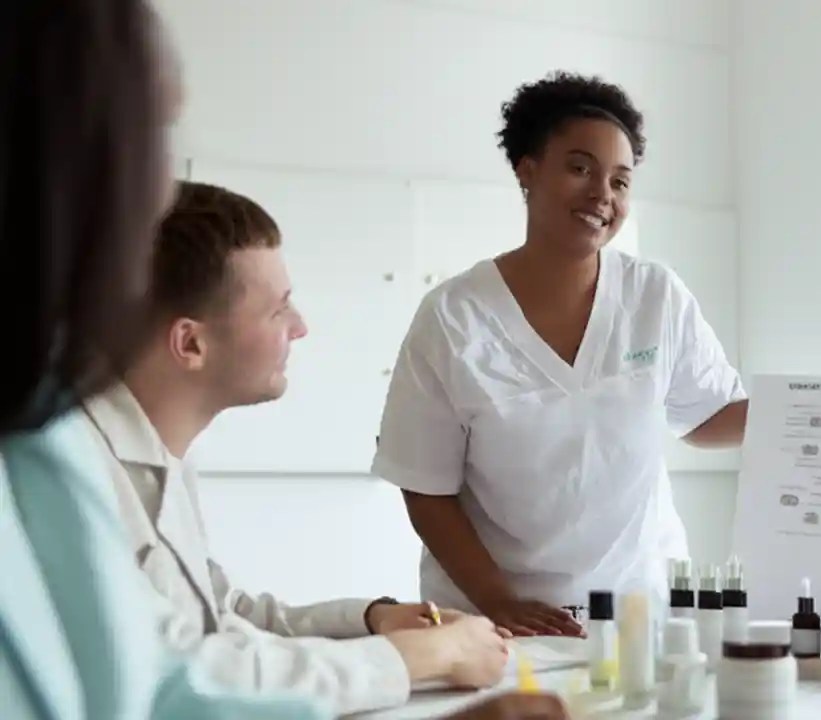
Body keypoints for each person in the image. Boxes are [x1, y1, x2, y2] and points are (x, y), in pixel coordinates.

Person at [78, 179, 530, 716]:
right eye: (279, 310)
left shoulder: (164, 457)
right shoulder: (79, 475)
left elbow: (225, 616)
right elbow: (182, 679)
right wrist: (411, 658)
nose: (301, 327)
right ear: (191, 344)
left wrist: (373, 619)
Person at [0, 2, 325, 718]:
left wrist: (377, 627)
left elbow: (159, 672)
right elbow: (167, 679)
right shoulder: (67, 446)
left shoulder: (41, 432)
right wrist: (399, 660)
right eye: (144, 137)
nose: (153, 190)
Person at [372, 71, 749, 636]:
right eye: (580, 168)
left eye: (621, 181)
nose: (603, 194)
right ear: (528, 171)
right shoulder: (453, 317)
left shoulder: (655, 295)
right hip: (497, 625)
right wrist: (500, 603)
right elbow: (426, 488)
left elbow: (710, 416)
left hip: (638, 619)